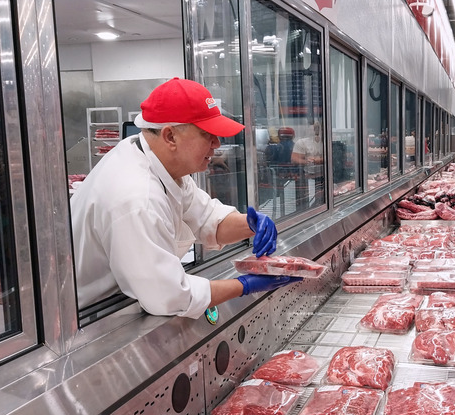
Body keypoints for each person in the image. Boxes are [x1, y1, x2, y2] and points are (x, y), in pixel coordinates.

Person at [71, 78, 300, 318]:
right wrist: (245, 285)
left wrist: (250, 225)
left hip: (123, 303)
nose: (217, 144)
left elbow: (206, 219)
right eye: (207, 134)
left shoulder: (159, 162)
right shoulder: (137, 196)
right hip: (92, 317)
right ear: (170, 136)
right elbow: (168, 297)